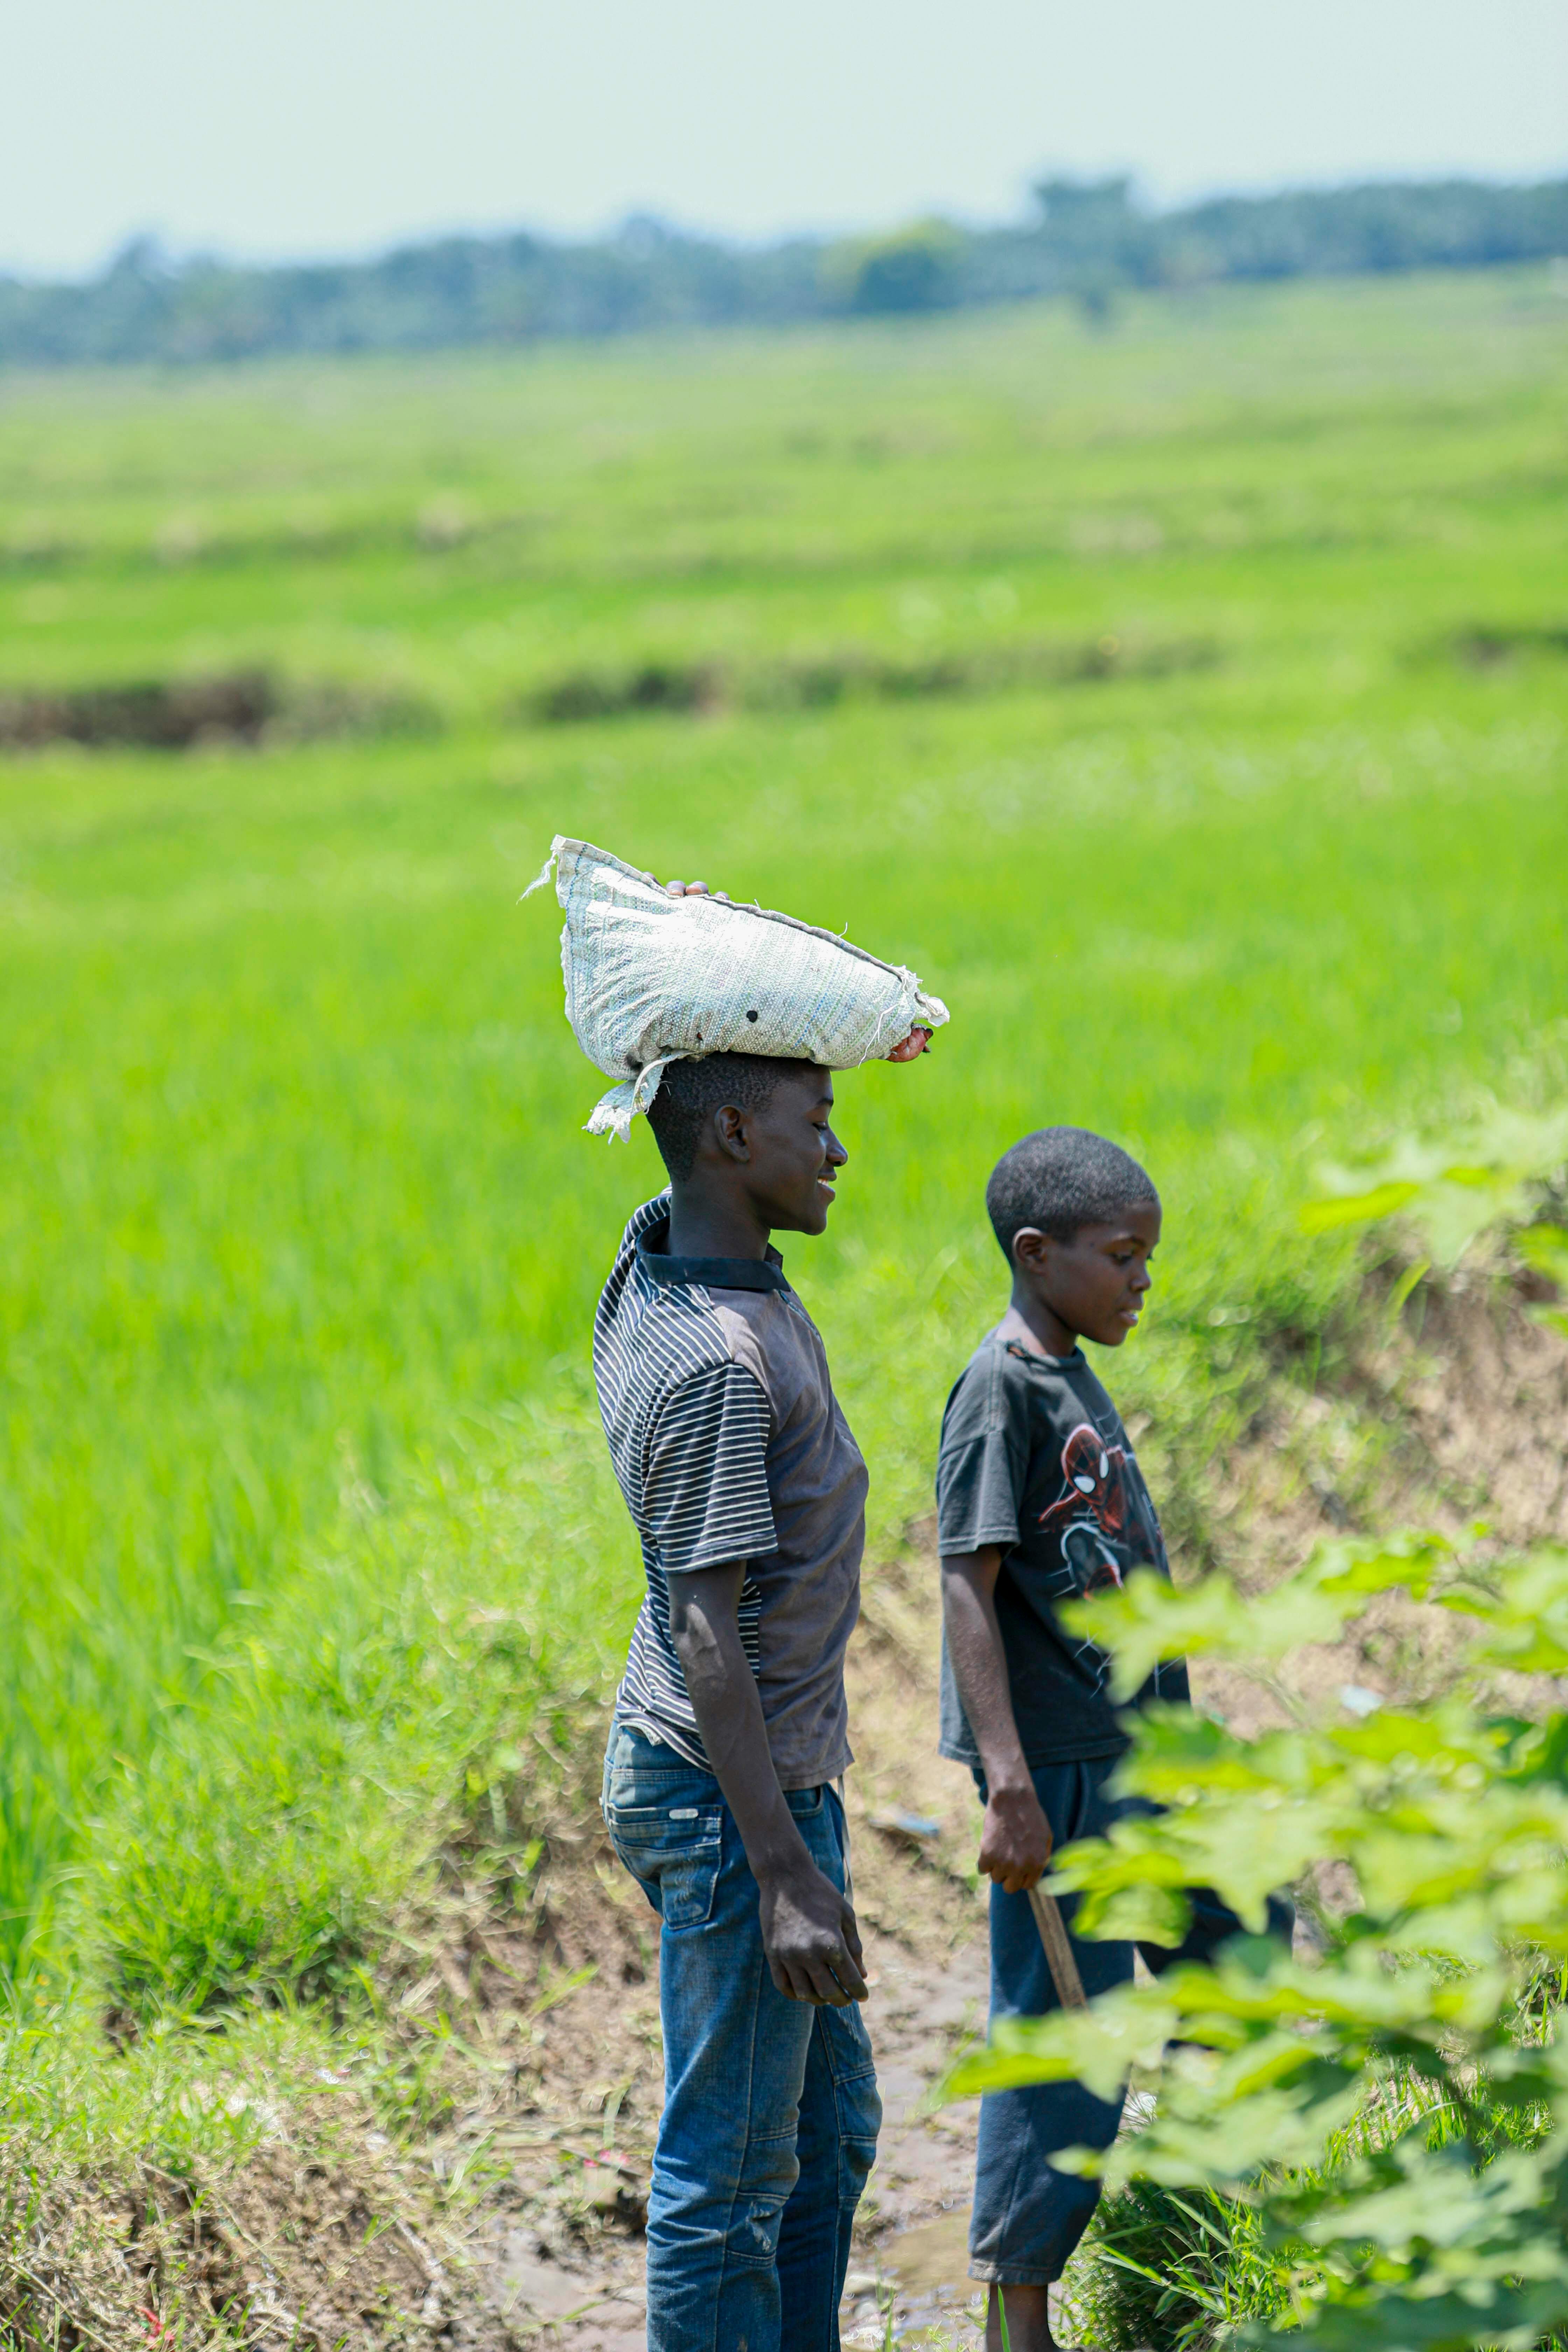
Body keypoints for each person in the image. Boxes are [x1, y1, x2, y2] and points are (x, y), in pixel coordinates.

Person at [937, 1127, 1286, 2352]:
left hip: (1135, 1755)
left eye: (1148, 1255)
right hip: (1063, 1772)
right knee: (1066, 2040)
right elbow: (967, 1587)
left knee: (1245, 1924)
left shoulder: (1072, 1365)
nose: (1145, 1279)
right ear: (1038, 1256)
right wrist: (1010, 1788)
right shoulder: (999, 1387)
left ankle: (1183, 2204)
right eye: (1123, 1255)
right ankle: (1017, 2311)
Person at [594, 900, 881, 2352]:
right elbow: (705, 1625)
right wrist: (781, 1872)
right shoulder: (713, 1360)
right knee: (734, 2172)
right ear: (727, 1141)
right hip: (729, 1801)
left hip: (759, 1780)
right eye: (811, 1119)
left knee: (827, 2143)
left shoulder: (674, 1258)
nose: (837, 1149)